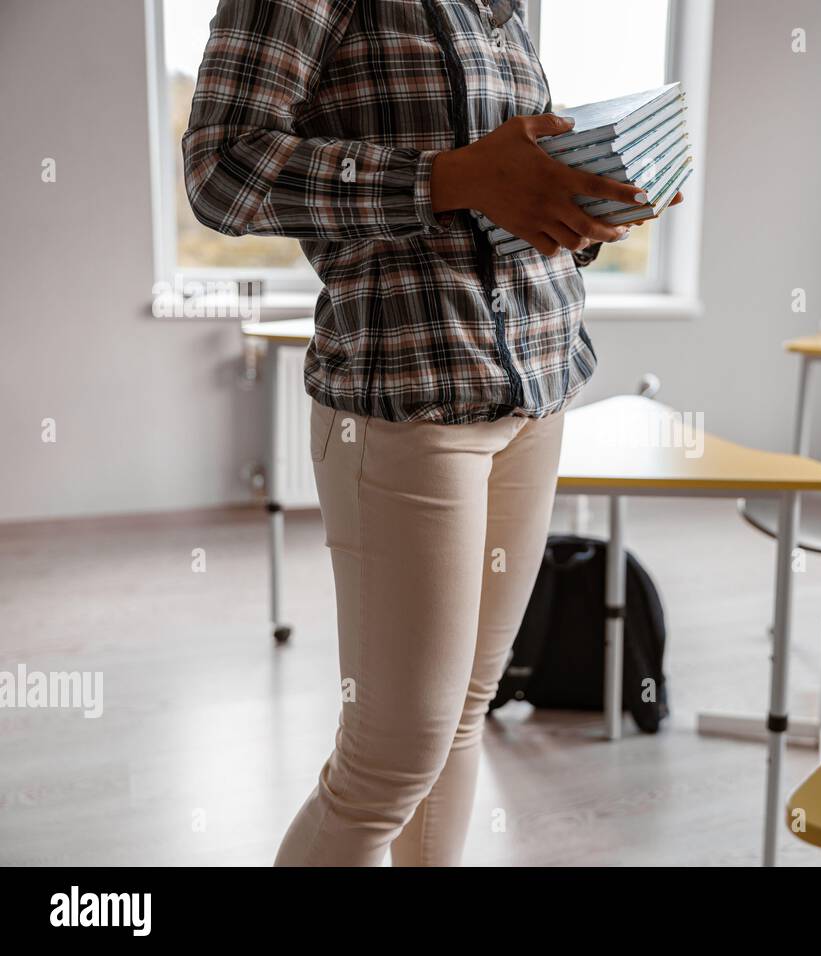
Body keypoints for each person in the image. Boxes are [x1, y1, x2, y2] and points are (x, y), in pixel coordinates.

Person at [182, 0, 681, 866]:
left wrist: (582, 208)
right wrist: (447, 178)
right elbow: (224, 174)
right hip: (405, 400)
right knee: (388, 761)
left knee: (463, 712)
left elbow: (508, 197)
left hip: (538, 384)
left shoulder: (502, 10)